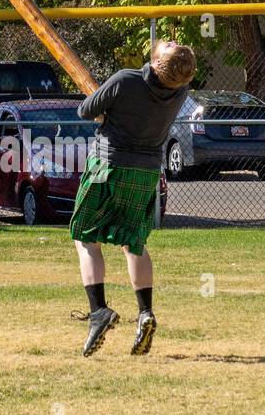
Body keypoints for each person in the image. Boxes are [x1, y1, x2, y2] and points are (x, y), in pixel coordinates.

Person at [68, 39, 196, 357]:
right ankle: (145, 313)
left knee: (85, 236)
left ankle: (99, 311)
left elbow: (85, 110)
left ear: (154, 64)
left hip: (106, 164)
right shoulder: (179, 91)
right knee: (133, 241)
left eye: (171, 45)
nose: (173, 39)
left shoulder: (126, 79)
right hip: (146, 171)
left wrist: (111, 108)